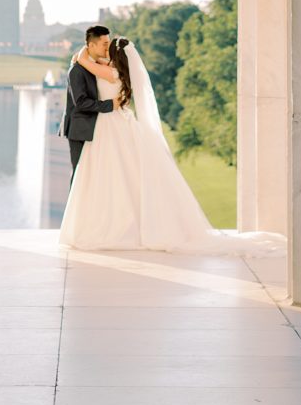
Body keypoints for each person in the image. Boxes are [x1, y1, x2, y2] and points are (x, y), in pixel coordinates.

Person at [57, 33, 285, 255]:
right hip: (115, 123)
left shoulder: (109, 71)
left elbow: (83, 62)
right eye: (103, 45)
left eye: (109, 47)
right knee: (118, 173)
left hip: (111, 125)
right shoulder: (117, 71)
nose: (105, 50)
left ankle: (112, 225)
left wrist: (82, 53)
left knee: (114, 173)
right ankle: (115, 222)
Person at [59, 24, 126, 178]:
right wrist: (110, 104)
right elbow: (81, 102)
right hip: (80, 129)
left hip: (97, 127)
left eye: (108, 44)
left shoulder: (94, 65)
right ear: (91, 45)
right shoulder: (77, 70)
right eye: (104, 44)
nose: (107, 48)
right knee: (80, 176)